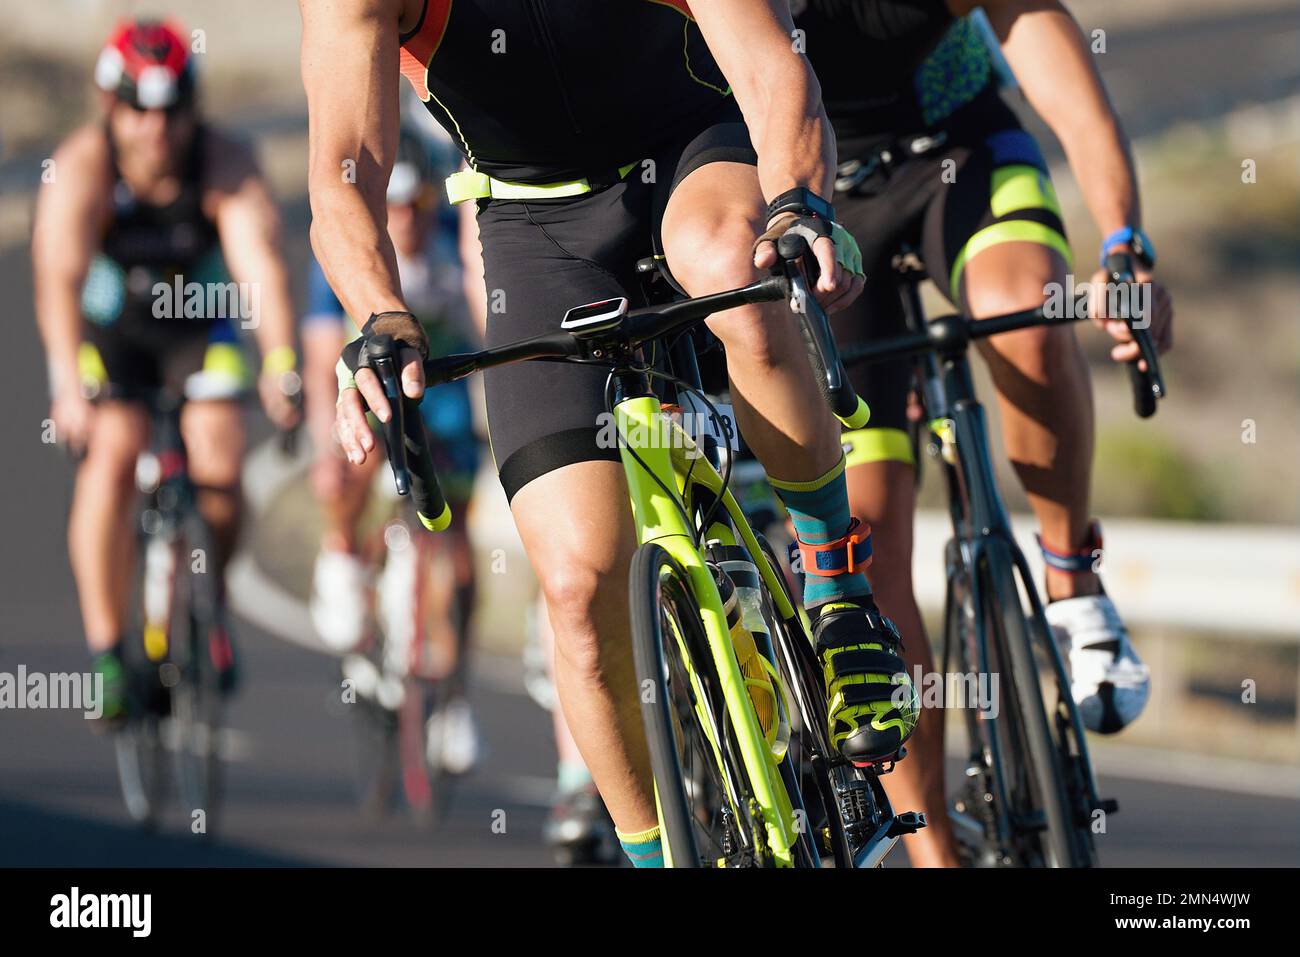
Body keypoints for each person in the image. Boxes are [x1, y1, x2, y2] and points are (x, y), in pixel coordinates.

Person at [300, 0, 918, 868]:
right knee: (579, 593)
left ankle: (837, 589)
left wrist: (796, 206)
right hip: (533, 225)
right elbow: (344, 166)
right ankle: (657, 857)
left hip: (697, 150)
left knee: (729, 264)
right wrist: (380, 314)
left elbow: (773, 70)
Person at [790, 0, 1175, 865]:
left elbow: (1065, 86)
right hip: (818, 211)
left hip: (956, 152)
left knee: (1029, 319)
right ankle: (934, 852)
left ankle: (1072, 576)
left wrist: (1125, 247)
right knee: (870, 546)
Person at [32, 18, 300, 722]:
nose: (157, 127)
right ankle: (106, 653)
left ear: (194, 106)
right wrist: (67, 381)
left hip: (197, 331)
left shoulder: (224, 161)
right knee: (114, 453)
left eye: (173, 108)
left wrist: (280, 364)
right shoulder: (84, 165)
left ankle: (211, 599)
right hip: (114, 337)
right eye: (139, 109)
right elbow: (57, 277)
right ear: (110, 105)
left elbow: (262, 270)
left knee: (220, 453)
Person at [301, 126, 482, 774]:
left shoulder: (447, 254)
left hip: (441, 403)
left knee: (460, 559)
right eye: (394, 207)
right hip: (368, 396)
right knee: (342, 468)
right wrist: (331, 443)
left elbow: (486, 326)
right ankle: (344, 555)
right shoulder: (354, 260)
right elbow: (324, 355)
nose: (405, 220)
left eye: (418, 206)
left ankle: (455, 694)